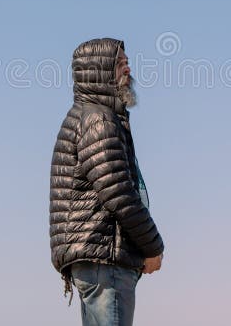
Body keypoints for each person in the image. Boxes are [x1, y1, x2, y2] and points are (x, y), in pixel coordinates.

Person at [49, 37, 164, 326]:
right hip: (105, 261)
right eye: (119, 64)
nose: (128, 70)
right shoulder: (99, 120)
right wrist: (153, 246)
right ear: (98, 71)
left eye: (127, 63)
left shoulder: (91, 117)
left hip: (96, 260)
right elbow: (119, 193)